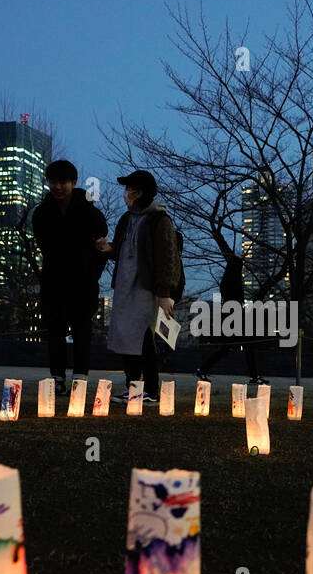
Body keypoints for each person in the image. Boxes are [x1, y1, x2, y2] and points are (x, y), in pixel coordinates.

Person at [99, 170, 181, 403]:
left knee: (143, 338)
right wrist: (108, 249)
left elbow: (168, 257)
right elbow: (124, 250)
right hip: (125, 286)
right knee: (125, 338)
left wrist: (164, 292)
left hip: (146, 288)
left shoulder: (159, 220)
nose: (127, 194)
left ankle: (151, 390)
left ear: (140, 193)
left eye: (131, 190)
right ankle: (133, 386)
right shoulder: (127, 219)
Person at [30, 160, 109, 396]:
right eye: (53, 182)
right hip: (53, 281)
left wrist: (90, 274)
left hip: (83, 282)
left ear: (73, 183)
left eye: (63, 182)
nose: (58, 187)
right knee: (54, 329)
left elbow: (102, 249)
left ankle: (80, 377)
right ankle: (57, 377)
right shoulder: (42, 213)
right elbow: (44, 247)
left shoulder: (91, 213)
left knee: (82, 329)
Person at [195, 252, 267, 385]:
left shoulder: (226, 281)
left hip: (229, 316)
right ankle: (254, 376)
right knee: (246, 346)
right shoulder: (234, 282)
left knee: (226, 349)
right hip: (234, 317)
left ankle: (203, 369)